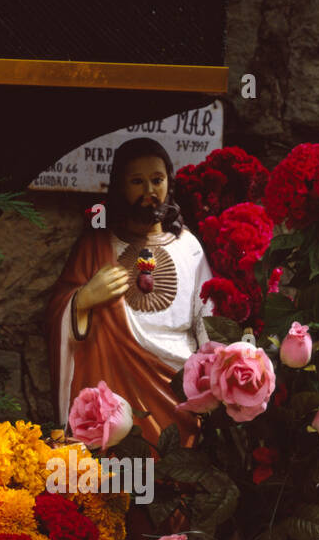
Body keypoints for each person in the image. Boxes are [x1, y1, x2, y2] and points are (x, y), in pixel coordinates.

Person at [46, 136, 213, 447]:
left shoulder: (189, 247)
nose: (149, 191)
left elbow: (208, 320)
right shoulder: (96, 245)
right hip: (115, 386)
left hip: (177, 386)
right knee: (118, 477)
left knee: (177, 478)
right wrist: (82, 301)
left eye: (157, 180)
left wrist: (214, 380)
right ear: (119, 187)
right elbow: (59, 310)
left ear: (169, 183)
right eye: (137, 181)